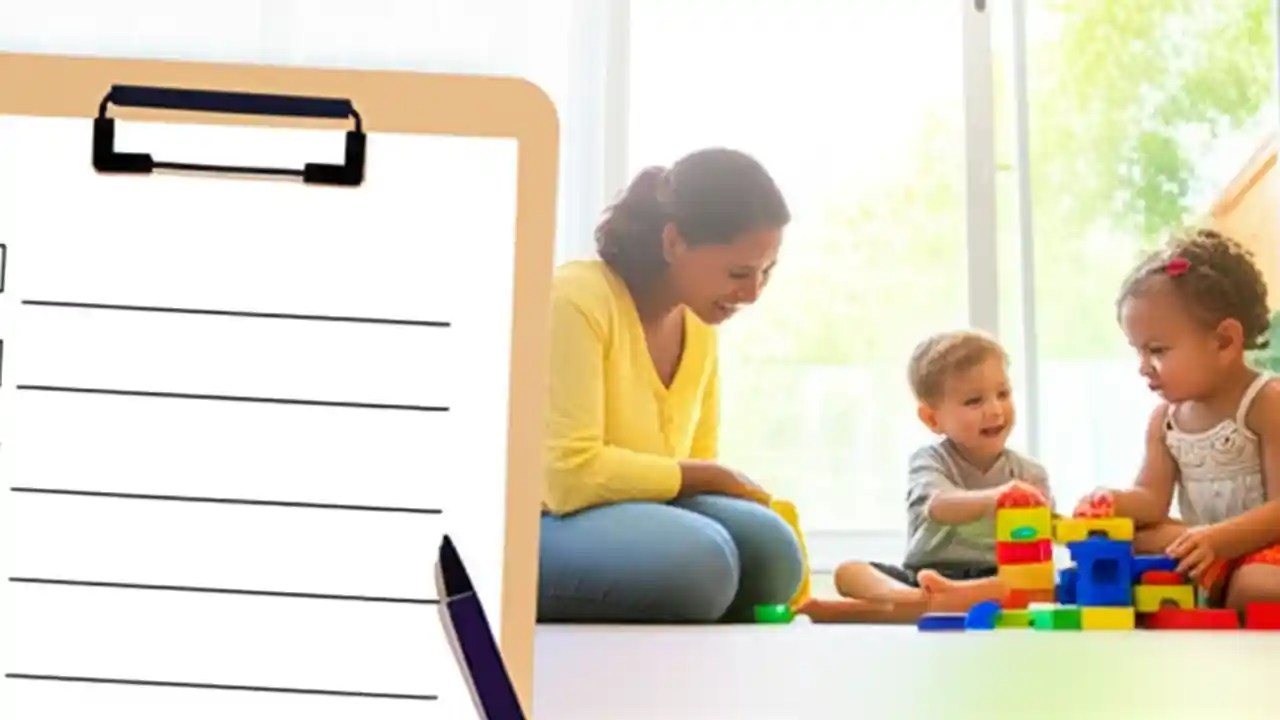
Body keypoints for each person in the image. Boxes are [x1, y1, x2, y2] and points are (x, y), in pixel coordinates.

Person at [537, 148, 805, 623]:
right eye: (739, 273)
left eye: (767, 272)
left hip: (633, 513)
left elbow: (692, 469)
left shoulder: (698, 325)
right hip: (543, 517)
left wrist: (709, 481)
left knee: (773, 555)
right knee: (701, 567)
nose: (754, 293)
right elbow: (566, 476)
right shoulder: (575, 299)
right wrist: (710, 476)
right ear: (674, 242)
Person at [1074, 228, 1280, 610]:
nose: (1143, 368)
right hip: (1207, 546)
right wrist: (1110, 502)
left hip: (1265, 547)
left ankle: (1224, 590)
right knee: (1132, 539)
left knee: (1253, 583)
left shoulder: (1267, 402)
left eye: (1156, 350)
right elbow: (1151, 501)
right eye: (1137, 351)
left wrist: (1219, 540)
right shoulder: (1165, 420)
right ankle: (1216, 589)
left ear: (1224, 342)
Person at [800, 330, 1053, 622]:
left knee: (1030, 586)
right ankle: (914, 600)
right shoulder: (931, 461)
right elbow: (939, 505)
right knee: (850, 571)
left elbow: (1045, 538)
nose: (995, 410)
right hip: (925, 575)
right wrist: (997, 498)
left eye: (1003, 394)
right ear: (933, 419)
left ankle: (920, 606)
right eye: (974, 401)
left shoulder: (1030, 473)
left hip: (993, 579)